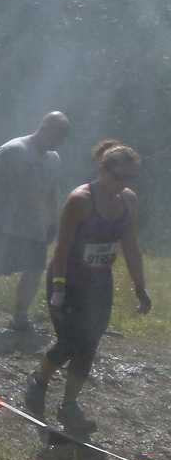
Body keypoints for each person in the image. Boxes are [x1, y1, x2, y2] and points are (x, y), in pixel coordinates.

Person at [23, 140, 151, 431]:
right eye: (118, 177)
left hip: (99, 284)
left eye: (129, 178)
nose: (122, 184)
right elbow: (62, 248)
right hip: (67, 280)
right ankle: (38, 380)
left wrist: (140, 287)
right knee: (70, 342)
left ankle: (69, 406)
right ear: (102, 170)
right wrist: (58, 287)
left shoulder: (128, 201)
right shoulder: (80, 200)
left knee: (89, 345)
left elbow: (130, 246)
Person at [0, 112, 71, 330]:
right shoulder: (14, 150)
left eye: (63, 138)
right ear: (45, 129)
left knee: (35, 269)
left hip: (35, 225)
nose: (59, 142)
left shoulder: (53, 159)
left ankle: (20, 316)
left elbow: (52, 192)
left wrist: (52, 221)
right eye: (58, 136)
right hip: (6, 223)